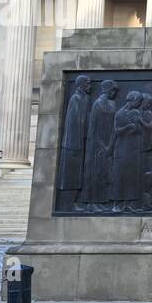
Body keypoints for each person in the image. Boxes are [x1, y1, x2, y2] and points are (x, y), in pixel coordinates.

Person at [57, 75, 92, 209]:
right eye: (88, 83)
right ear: (81, 84)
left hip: (81, 142)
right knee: (69, 175)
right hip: (73, 144)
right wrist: (75, 145)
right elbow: (73, 123)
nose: (90, 85)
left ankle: (74, 202)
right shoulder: (75, 98)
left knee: (77, 175)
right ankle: (67, 204)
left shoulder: (85, 98)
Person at [83, 80, 118, 210]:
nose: (114, 93)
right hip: (97, 145)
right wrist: (102, 145)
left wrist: (110, 144)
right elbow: (94, 128)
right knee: (95, 173)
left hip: (110, 143)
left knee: (105, 174)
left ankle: (102, 201)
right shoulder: (97, 104)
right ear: (107, 90)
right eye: (113, 90)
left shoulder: (112, 104)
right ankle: (92, 203)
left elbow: (114, 124)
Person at [110, 91, 146, 212]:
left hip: (134, 148)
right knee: (120, 176)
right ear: (133, 100)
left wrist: (138, 127)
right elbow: (117, 131)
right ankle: (116, 204)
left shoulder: (136, 112)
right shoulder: (120, 113)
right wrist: (128, 127)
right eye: (138, 101)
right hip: (122, 148)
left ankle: (129, 204)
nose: (139, 103)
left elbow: (141, 129)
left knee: (132, 176)